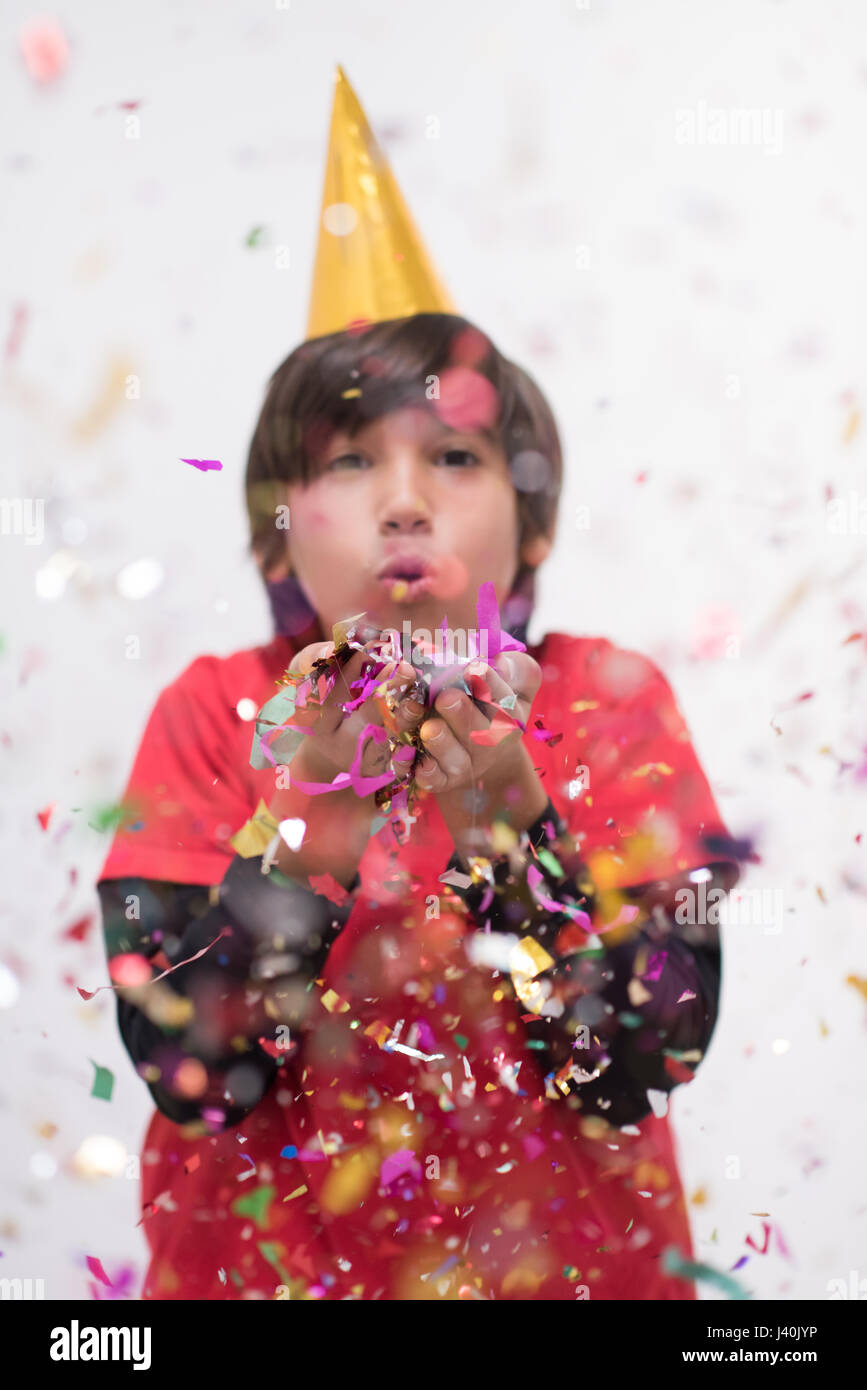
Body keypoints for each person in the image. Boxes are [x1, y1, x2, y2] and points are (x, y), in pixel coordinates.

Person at [97, 69, 743, 1302]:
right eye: (349, 460)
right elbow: (194, 1077)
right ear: (280, 537)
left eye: (454, 455)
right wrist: (304, 841)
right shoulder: (207, 708)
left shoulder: (611, 702)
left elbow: (649, 1059)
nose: (404, 498)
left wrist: (512, 821)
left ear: (534, 526)